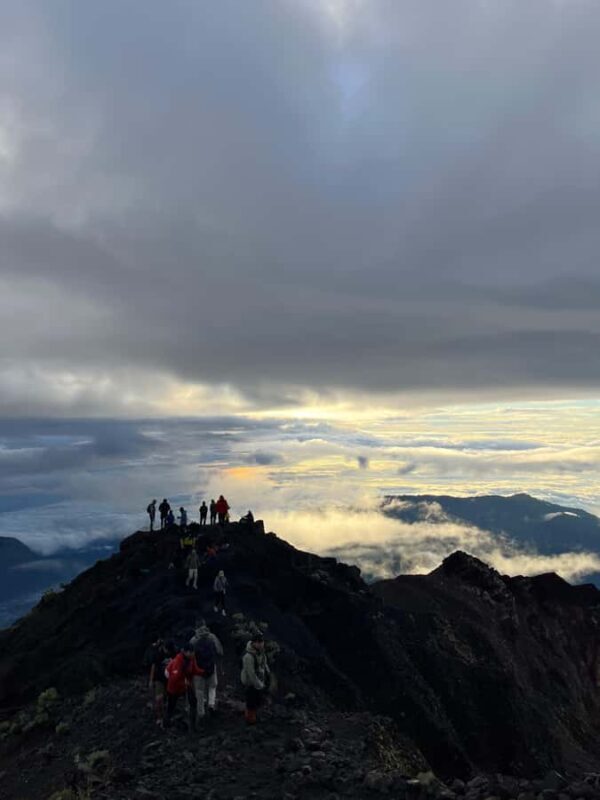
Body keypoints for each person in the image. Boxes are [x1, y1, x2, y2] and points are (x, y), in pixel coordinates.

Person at [190, 621, 223, 720]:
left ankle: (201, 713)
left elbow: (189, 656)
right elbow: (220, 651)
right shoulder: (212, 637)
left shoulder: (193, 640)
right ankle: (211, 704)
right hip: (211, 668)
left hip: (198, 670)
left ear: (196, 627)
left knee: (199, 691)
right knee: (212, 687)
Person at [165, 643, 200, 730]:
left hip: (185, 686)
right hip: (174, 688)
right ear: (186, 652)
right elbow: (174, 678)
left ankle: (192, 724)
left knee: (192, 702)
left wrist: (203, 672)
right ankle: (166, 723)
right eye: (191, 652)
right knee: (171, 705)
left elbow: (195, 669)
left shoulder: (191, 659)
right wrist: (185, 683)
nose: (193, 654)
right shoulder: (178, 661)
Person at [240, 632, 270, 725]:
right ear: (254, 643)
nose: (261, 644)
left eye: (261, 642)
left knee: (258, 700)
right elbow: (251, 674)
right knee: (251, 701)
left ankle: (254, 717)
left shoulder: (261, 653)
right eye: (258, 642)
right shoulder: (248, 656)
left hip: (259, 680)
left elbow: (264, 665)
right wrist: (259, 685)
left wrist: (267, 676)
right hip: (250, 682)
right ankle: (250, 719)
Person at [146, 638, 173, 727]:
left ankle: (167, 717)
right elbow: (153, 667)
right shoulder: (158, 654)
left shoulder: (174, 651)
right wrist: (151, 680)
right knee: (159, 699)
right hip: (159, 678)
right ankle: (159, 717)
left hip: (170, 679)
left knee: (169, 698)